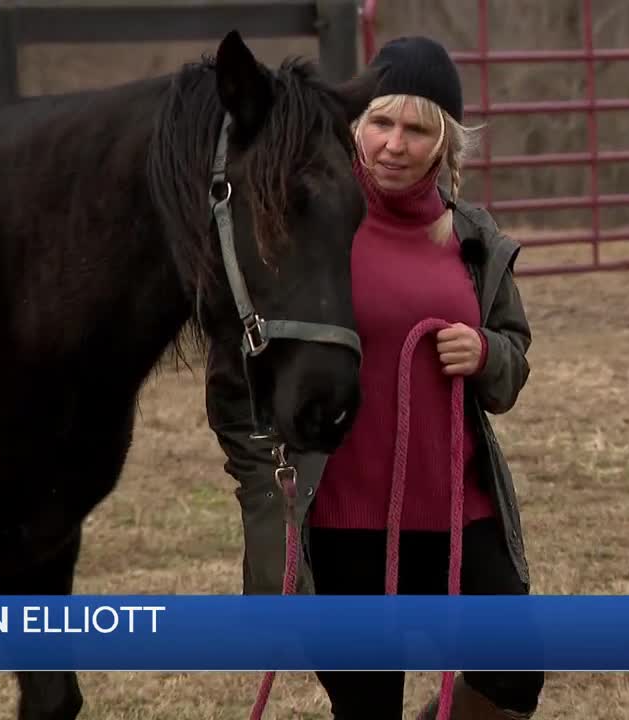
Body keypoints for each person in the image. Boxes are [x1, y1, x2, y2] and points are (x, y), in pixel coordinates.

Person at [204, 34, 543, 720]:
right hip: (341, 520)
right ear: (354, 124)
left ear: (446, 142)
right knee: (367, 704)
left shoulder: (474, 237)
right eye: (381, 122)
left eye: (417, 128)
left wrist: (486, 354)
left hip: (457, 510)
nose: (394, 143)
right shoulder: (304, 226)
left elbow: (512, 359)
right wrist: (265, 499)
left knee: (513, 676)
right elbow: (237, 375)